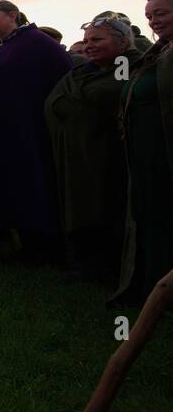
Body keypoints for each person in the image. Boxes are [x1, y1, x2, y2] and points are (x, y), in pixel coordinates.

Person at [0, 0, 72, 260]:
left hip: (19, 126)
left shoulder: (37, 43)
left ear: (13, 15)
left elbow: (62, 79)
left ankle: (35, 244)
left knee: (22, 182)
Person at [44, 17, 132, 284]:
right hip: (74, 154)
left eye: (97, 40)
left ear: (122, 41)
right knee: (77, 207)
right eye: (86, 41)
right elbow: (56, 99)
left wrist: (74, 98)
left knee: (105, 206)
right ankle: (84, 264)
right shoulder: (82, 71)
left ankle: (109, 268)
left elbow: (109, 92)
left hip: (107, 153)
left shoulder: (126, 64)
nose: (89, 46)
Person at [114, 0, 173, 306]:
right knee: (153, 219)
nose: (153, 21)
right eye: (150, 16)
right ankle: (154, 288)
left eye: (161, 13)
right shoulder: (158, 52)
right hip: (147, 155)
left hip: (165, 152)